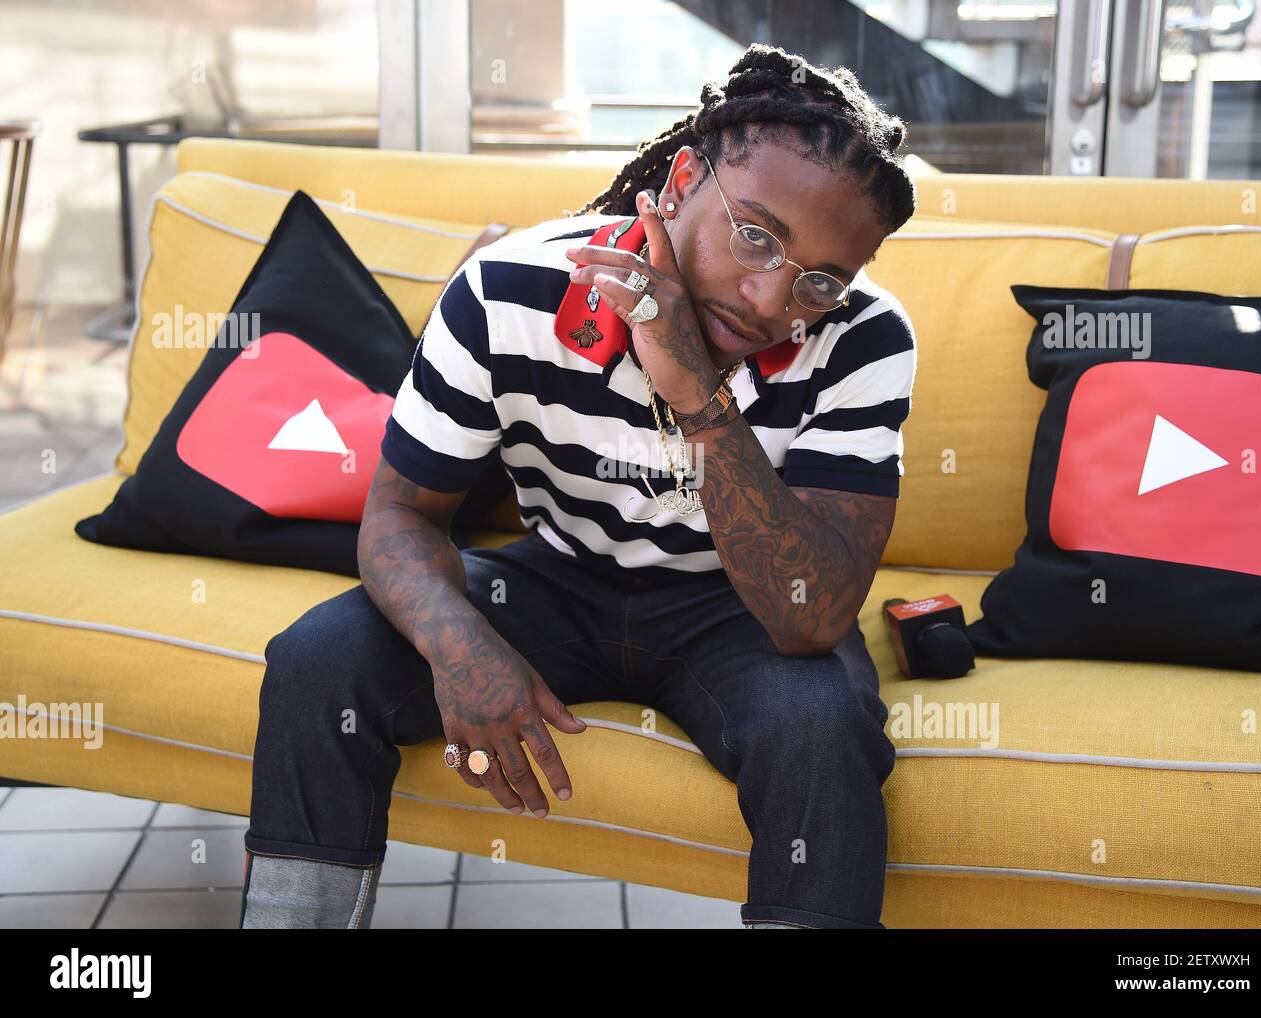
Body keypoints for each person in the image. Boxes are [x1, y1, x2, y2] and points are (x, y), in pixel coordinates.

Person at [240, 42, 918, 930]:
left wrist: (698, 396)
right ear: (679, 181)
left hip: (744, 612)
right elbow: (400, 517)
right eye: (755, 234)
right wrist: (460, 647)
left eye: (818, 281)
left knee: (823, 734)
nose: (766, 298)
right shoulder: (509, 290)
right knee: (314, 661)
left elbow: (813, 615)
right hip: (557, 579)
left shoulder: (865, 340)